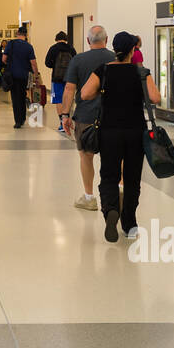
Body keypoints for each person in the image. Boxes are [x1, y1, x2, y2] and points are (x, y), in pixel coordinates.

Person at [79, 32, 158, 241]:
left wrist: (102, 91)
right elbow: (155, 97)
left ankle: (110, 211)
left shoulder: (103, 71)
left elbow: (85, 94)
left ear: (114, 49)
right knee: (132, 179)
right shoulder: (141, 72)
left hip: (109, 132)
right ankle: (130, 225)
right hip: (135, 133)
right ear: (133, 50)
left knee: (109, 175)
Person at [61, 25, 114, 210]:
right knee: (116, 156)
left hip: (85, 116)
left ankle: (89, 197)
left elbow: (69, 88)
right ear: (106, 40)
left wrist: (65, 115)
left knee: (86, 156)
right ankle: (118, 192)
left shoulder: (78, 59)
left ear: (88, 41)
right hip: (112, 116)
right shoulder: (116, 59)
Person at [2, 27, 39, 128]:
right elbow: (33, 63)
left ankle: (18, 121)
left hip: (13, 76)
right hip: (24, 76)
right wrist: (36, 76)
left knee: (15, 98)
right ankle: (22, 118)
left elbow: (4, 59)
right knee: (22, 96)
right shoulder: (29, 47)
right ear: (26, 35)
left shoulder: (11, 44)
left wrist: (10, 64)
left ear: (17, 33)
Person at [45, 32, 76, 134]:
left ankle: (61, 123)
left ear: (56, 39)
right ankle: (68, 119)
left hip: (57, 78)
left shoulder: (53, 48)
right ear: (66, 39)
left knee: (58, 99)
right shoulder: (71, 49)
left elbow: (47, 63)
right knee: (69, 97)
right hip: (70, 78)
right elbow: (75, 62)